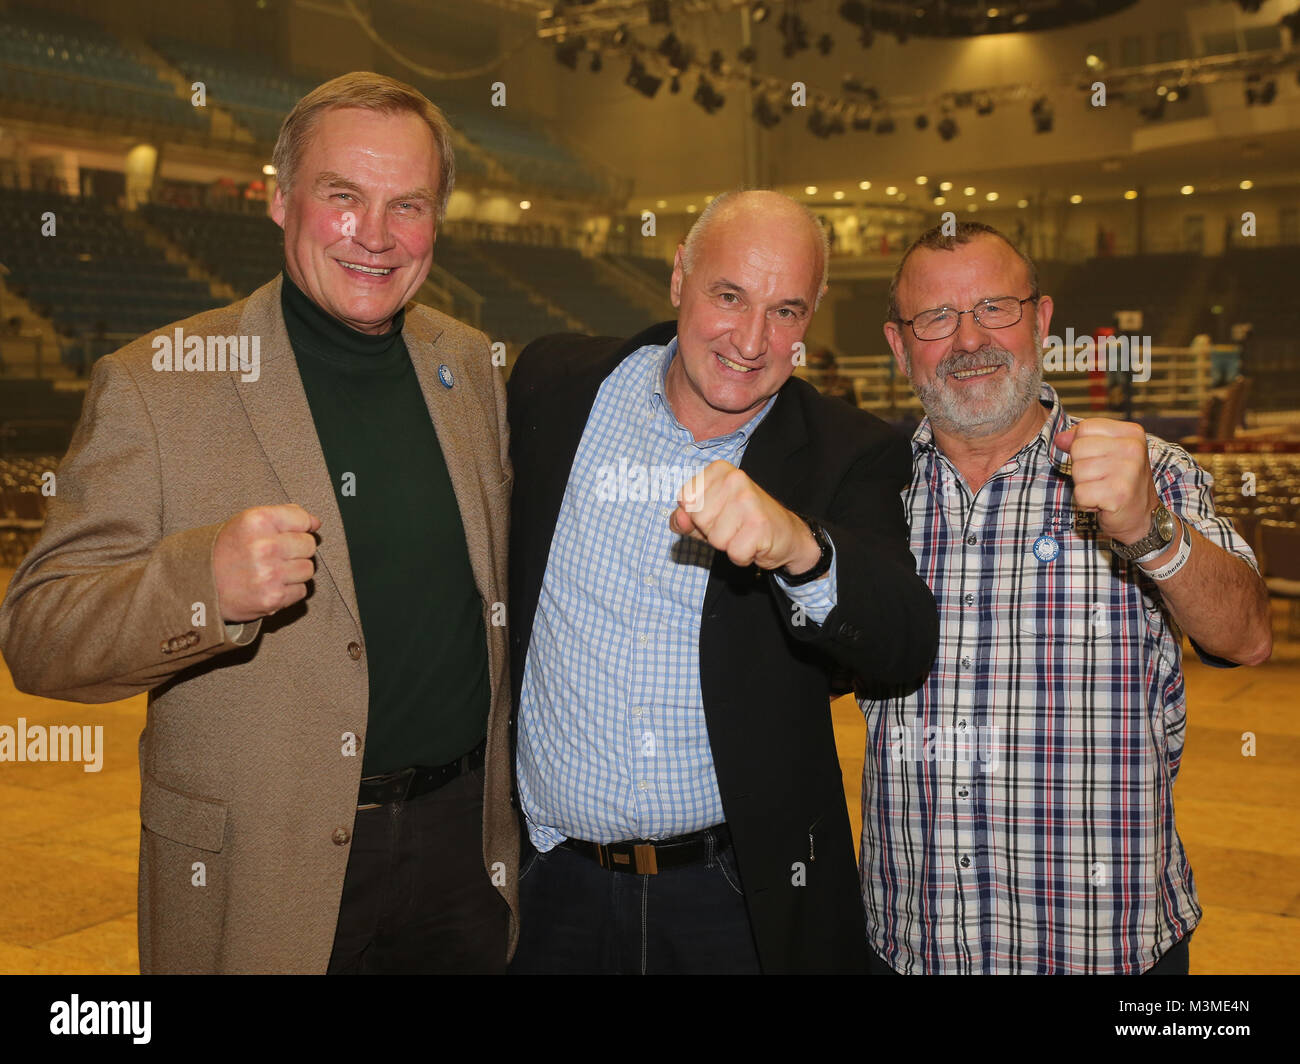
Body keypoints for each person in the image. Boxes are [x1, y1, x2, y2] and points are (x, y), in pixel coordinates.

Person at [0, 72, 517, 974]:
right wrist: (203, 587)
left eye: (408, 204)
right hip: (263, 865)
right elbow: (39, 635)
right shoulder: (157, 384)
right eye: (342, 196)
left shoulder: (469, 365)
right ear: (280, 200)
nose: (376, 235)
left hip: (463, 848)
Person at [507, 189, 939, 974]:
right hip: (548, 885)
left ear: (812, 315)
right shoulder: (554, 383)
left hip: (738, 897)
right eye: (729, 296)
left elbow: (902, 641)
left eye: (785, 311)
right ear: (680, 276)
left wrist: (802, 548)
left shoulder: (849, 451)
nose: (750, 340)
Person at [864, 221, 1272, 974]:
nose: (968, 339)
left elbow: (1246, 635)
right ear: (898, 344)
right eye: (936, 318)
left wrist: (1151, 530)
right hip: (913, 945)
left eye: (995, 308)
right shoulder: (868, 493)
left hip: (1104, 948)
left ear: (1042, 319)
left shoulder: (1149, 470)